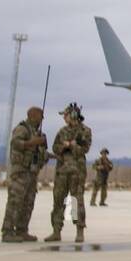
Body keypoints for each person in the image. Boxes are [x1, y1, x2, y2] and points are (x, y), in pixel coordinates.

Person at [45, 103, 92, 243]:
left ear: (72, 115)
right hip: (62, 171)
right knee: (58, 200)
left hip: (77, 172)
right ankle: (56, 231)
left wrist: (72, 145)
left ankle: (79, 231)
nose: (64, 118)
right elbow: (55, 148)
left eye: (65, 115)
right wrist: (63, 147)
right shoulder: (62, 131)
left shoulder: (85, 131)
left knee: (76, 201)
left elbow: (84, 149)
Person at [1, 107, 47, 242]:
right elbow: (15, 143)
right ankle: (8, 231)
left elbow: (39, 152)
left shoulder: (36, 132)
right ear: (32, 115)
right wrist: (31, 143)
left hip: (31, 174)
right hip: (20, 172)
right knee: (15, 202)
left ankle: (22, 230)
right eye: (40, 116)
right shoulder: (22, 129)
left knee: (28, 203)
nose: (42, 119)